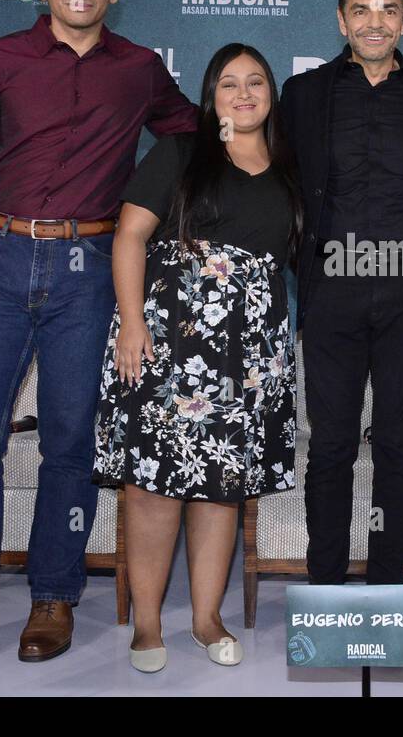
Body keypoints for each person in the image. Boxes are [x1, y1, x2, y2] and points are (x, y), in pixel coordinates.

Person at [0, 0, 197, 672]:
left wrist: (147, 212)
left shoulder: (141, 69)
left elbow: (191, 136)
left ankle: (53, 598)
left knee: (71, 446)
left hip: (88, 271)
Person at [93, 43, 301, 673]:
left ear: (271, 94)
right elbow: (129, 234)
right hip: (168, 340)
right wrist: (132, 324)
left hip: (251, 353)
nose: (243, 93)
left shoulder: (290, 168)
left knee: (222, 492)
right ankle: (149, 624)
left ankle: (208, 618)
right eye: (229, 83)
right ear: (211, 94)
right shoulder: (183, 154)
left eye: (256, 82)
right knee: (154, 490)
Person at [279, 0, 403, 585]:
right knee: (329, 447)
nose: (375, 21)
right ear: (340, 19)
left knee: (395, 448)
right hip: (331, 292)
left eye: (388, 9)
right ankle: (326, 587)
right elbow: (274, 181)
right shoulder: (302, 95)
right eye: (362, 9)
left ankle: (387, 589)